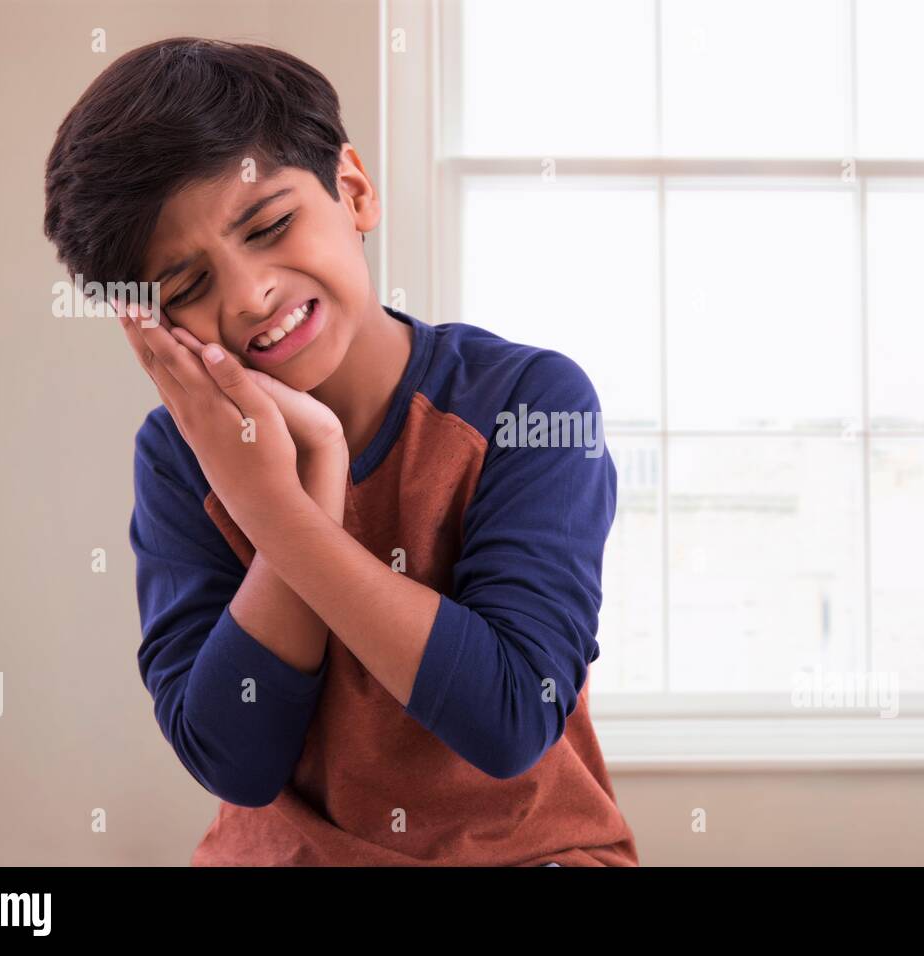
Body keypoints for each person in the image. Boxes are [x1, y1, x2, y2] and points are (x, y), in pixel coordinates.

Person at [42, 37, 638, 867]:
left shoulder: (530, 402)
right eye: (187, 288)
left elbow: (507, 720)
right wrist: (303, 480)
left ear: (352, 191)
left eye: (272, 226)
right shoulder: (180, 457)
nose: (250, 296)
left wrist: (278, 513)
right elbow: (235, 762)